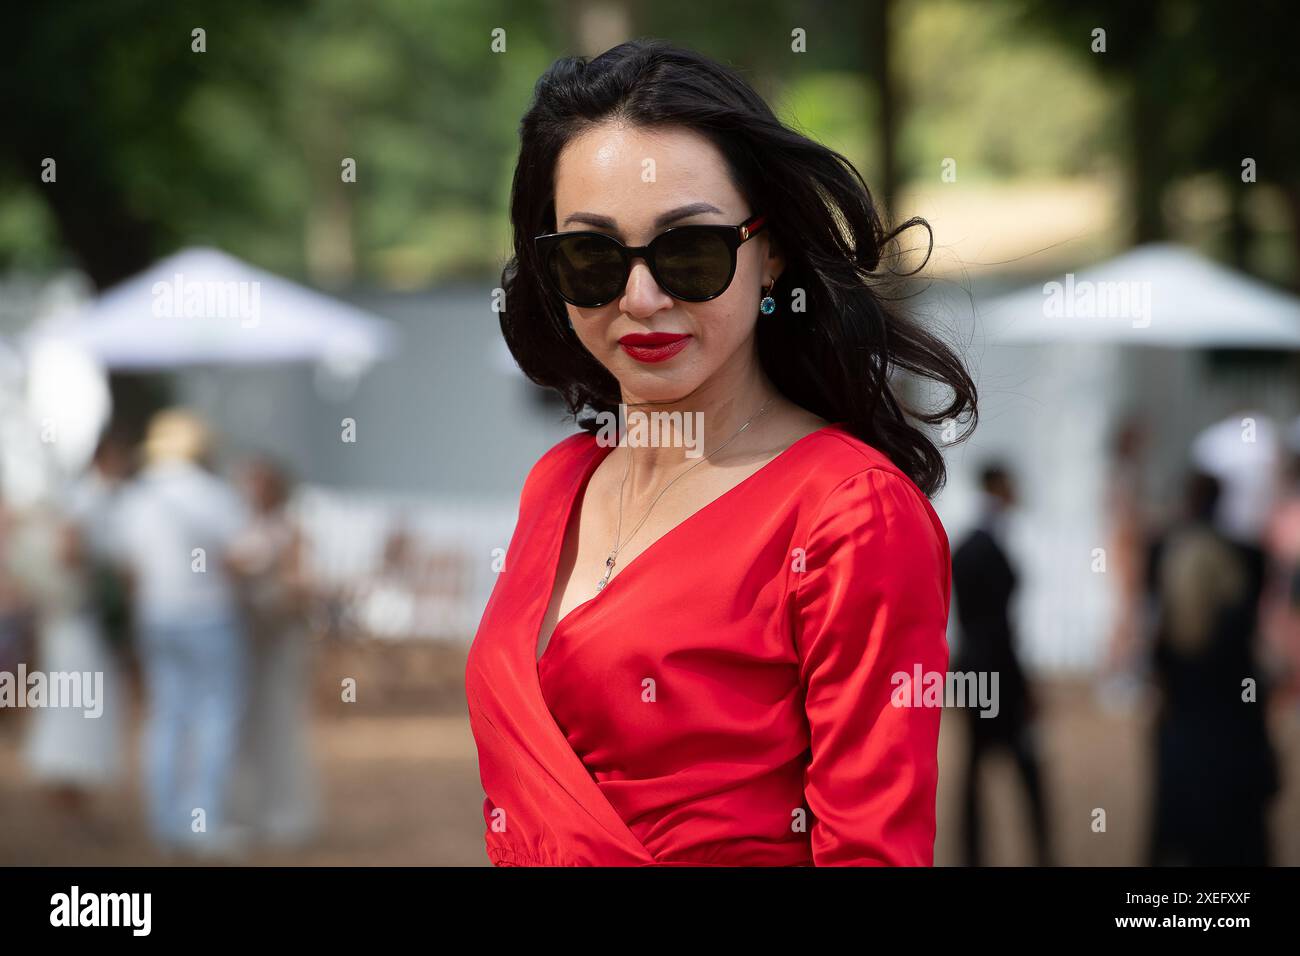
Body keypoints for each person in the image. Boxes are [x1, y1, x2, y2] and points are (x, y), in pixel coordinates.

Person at [465, 39, 977, 866]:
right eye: (592, 257)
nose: (642, 298)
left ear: (768, 253)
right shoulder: (557, 482)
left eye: (690, 252)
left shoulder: (850, 513)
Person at [114, 409, 251, 857]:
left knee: (166, 716)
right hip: (208, 615)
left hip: (156, 616)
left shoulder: (136, 497)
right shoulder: (213, 494)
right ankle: (203, 823)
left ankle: (167, 822)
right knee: (214, 717)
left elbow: (126, 566)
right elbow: (238, 557)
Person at [1145, 470, 1279, 866]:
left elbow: (1158, 635)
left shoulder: (1164, 550)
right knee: (1235, 829)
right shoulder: (1248, 556)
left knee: (1179, 823)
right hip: (1232, 711)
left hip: (1185, 712)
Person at [20, 428, 134, 828]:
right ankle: (66, 785)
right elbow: (68, 551)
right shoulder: (88, 498)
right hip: (79, 617)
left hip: (83, 618)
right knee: (75, 699)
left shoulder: (98, 498)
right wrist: (107, 578)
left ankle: (74, 785)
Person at [950, 464, 1052, 867]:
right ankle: (1041, 851)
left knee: (977, 768)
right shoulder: (985, 545)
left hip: (974, 672)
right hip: (997, 675)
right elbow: (997, 627)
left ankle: (973, 853)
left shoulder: (969, 544)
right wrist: (1022, 684)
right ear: (996, 485)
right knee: (1024, 765)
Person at [226, 456, 320, 848]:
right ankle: (245, 813)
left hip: (279, 641)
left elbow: (301, 587)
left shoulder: (290, 530)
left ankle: (285, 814)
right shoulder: (236, 529)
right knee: (244, 727)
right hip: (246, 643)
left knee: (280, 723)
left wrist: (273, 600)